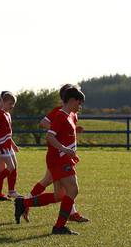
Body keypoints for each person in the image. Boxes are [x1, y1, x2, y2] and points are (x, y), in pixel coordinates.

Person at [16, 84, 84, 235]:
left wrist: (71, 140)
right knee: (73, 189)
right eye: (79, 102)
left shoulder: (70, 115)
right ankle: (59, 226)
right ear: (72, 100)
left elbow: (63, 134)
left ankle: (24, 202)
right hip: (58, 159)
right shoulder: (60, 115)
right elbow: (49, 135)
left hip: (63, 158)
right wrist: (65, 149)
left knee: (58, 196)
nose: (80, 106)